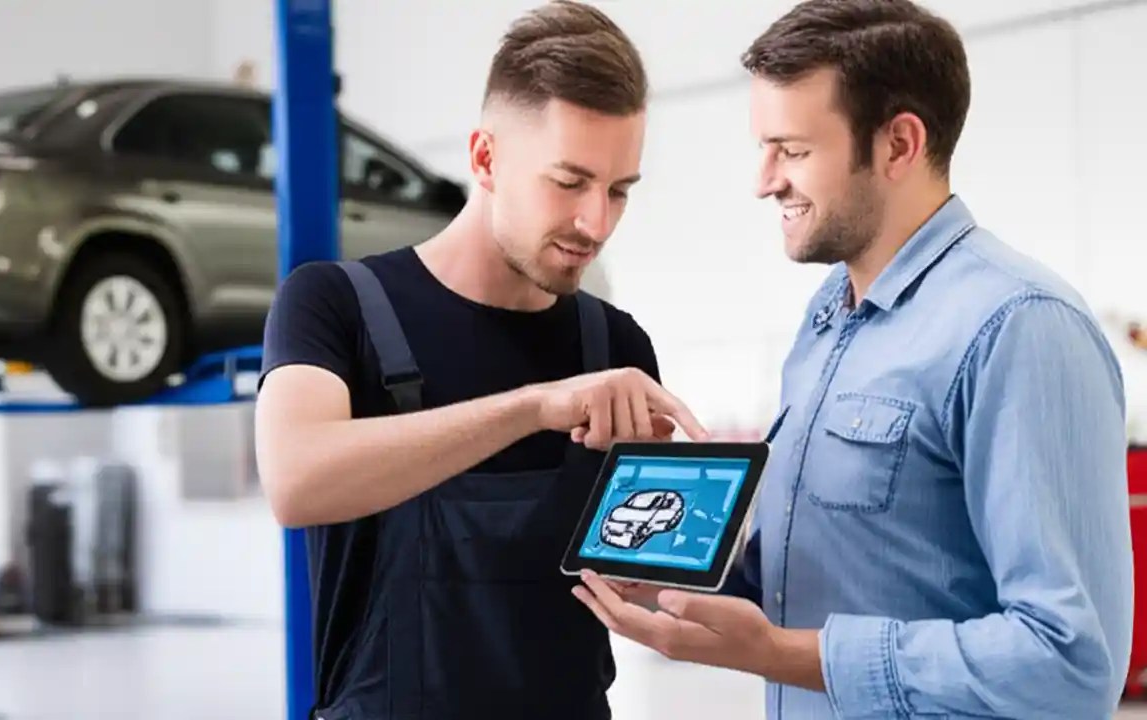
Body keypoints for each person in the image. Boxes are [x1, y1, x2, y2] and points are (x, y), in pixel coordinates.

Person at [573, 1, 1134, 718]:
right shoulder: (827, 318)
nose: (764, 179)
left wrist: (783, 655)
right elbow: (811, 579)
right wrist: (666, 571)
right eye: (764, 147)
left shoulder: (1021, 328)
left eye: (794, 150)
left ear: (899, 144)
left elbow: (1070, 662)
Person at [255, 2, 709, 719]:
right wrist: (534, 406)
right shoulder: (334, 305)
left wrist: (694, 532)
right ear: (486, 158)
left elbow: (639, 586)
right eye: (568, 182)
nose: (596, 222)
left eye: (619, 191)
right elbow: (296, 481)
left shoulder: (616, 348)